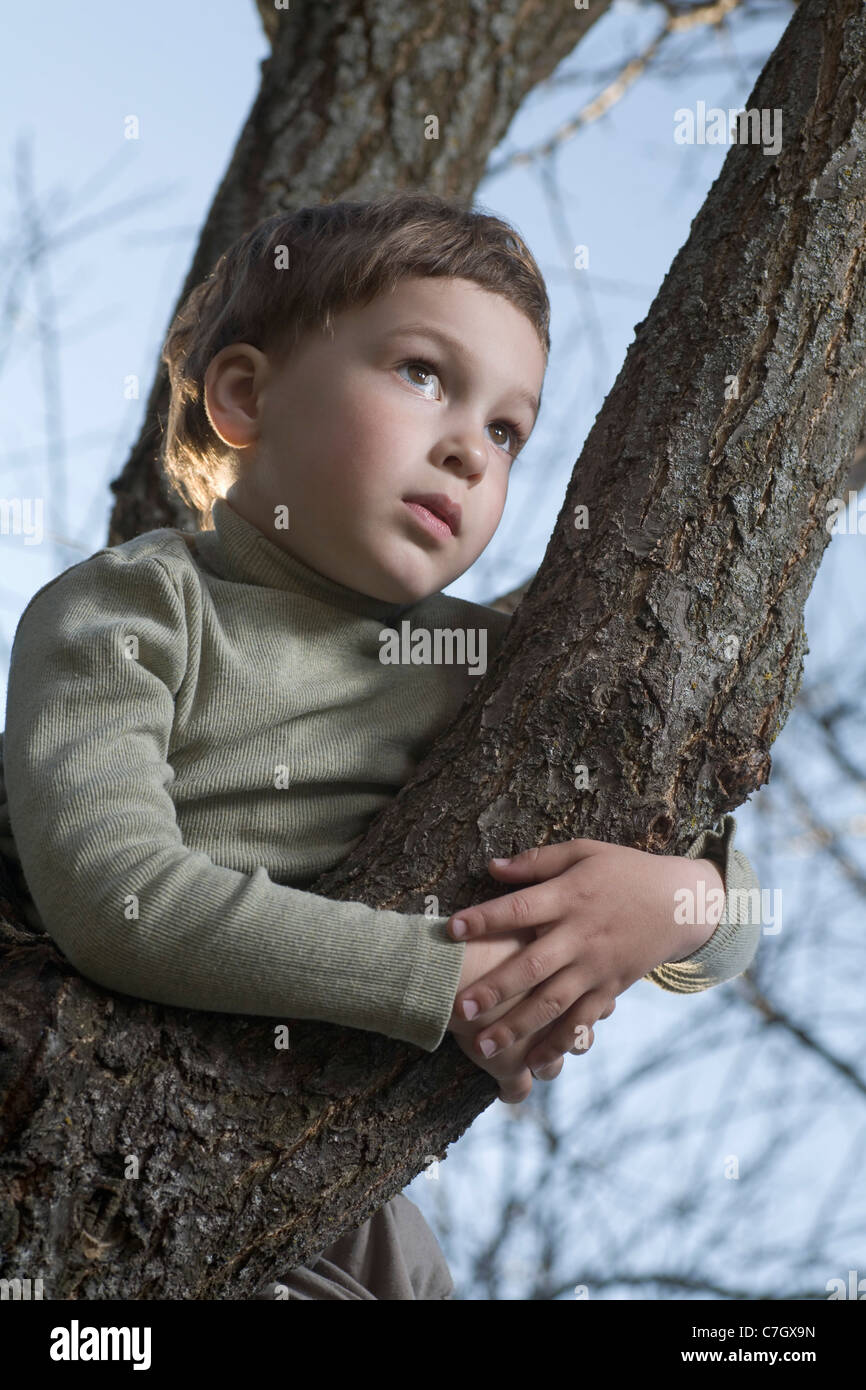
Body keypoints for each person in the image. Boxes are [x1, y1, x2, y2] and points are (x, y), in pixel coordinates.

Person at [1, 191, 763, 1301]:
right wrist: (446, 980)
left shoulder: (494, 668)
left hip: (340, 1186)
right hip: (89, 1122)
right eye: (422, 374)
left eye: (507, 430)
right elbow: (119, 898)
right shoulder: (130, 610)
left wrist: (669, 903)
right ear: (246, 396)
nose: (467, 447)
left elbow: (737, 917)